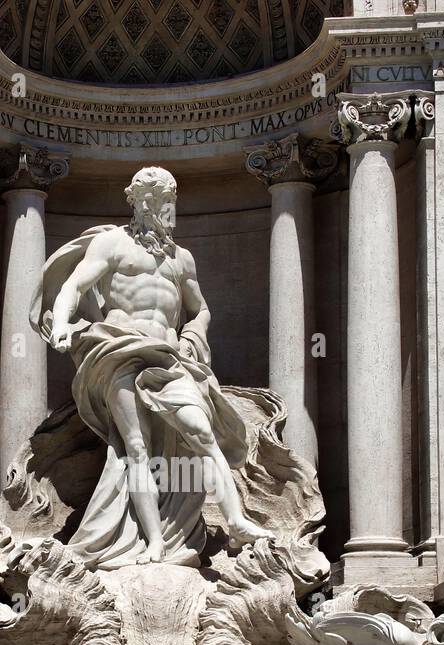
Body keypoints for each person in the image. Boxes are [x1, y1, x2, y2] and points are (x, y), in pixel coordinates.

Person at [31, 166, 273, 569]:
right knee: (136, 449)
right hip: (119, 349)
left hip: (169, 357)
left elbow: (200, 309)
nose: (162, 211)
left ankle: (236, 519)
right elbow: (74, 285)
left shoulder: (182, 260)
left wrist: (195, 336)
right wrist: (60, 324)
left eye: (167, 203)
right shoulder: (112, 244)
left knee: (201, 432)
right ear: (139, 203)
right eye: (154, 202)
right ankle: (155, 542)